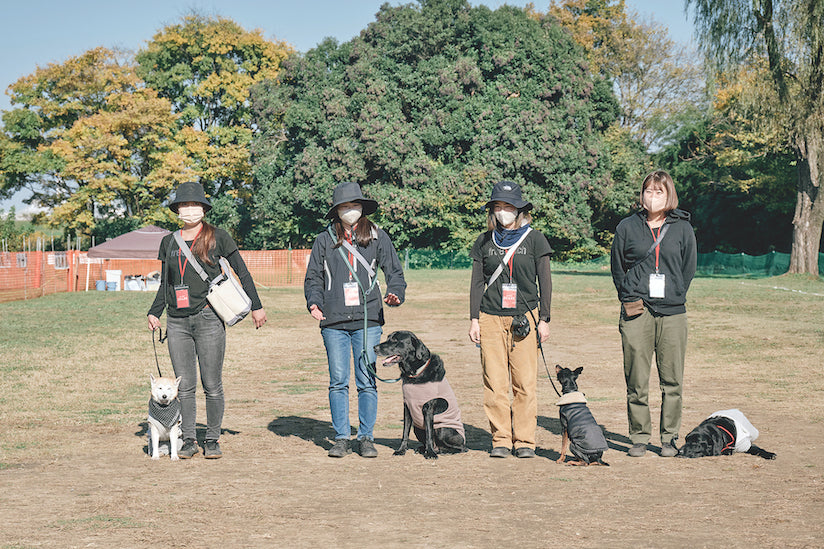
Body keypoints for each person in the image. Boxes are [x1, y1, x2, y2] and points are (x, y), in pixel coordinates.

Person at [147, 181, 267, 459]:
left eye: (195, 205)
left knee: (212, 384)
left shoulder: (218, 236)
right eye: (184, 205)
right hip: (177, 322)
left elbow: (242, 272)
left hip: (209, 317)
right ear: (177, 209)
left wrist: (257, 306)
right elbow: (166, 283)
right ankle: (189, 439)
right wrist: (155, 311)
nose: (190, 209)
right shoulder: (168, 242)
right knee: (185, 387)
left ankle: (212, 439)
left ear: (203, 208)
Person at [304, 181, 406, 458]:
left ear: (362, 208)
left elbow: (394, 271)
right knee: (338, 381)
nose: (350, 210)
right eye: (345, 206)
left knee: (367, 380)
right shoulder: (324, 239)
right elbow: (313, 277)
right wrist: (314, 302)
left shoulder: (377, 236)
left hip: (367, 319)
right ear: (337, 211)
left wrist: (395, 293)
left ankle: (366, 438)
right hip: (333, 321)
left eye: (355, 205)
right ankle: (340, 438)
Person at [610, 170, 697, 458]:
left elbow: (688, 267)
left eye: (659, 192)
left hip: (672, 313)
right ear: (642, 195)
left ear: (669, 195)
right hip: (637, 311)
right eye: (648, 191)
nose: (653, 196)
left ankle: (669, 438)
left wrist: (675, 293)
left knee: (672, 380)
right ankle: (639, 437)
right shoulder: (627, 227)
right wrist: (629, 295)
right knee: (636, 379)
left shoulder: (683, 228)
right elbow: (617, 267)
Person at [468, 181, 552, 458]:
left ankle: (525, 441)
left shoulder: (536, 239)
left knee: (525, 384)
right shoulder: (484, 241)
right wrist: (474, 319)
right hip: (490, 318)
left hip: (525, 317)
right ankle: (501, 440)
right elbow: (477, 283)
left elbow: (545, 281)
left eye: (509, 206)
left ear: (520, 210)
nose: (503, 211)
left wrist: (544, 319)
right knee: (495, 384)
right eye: (498, 206)